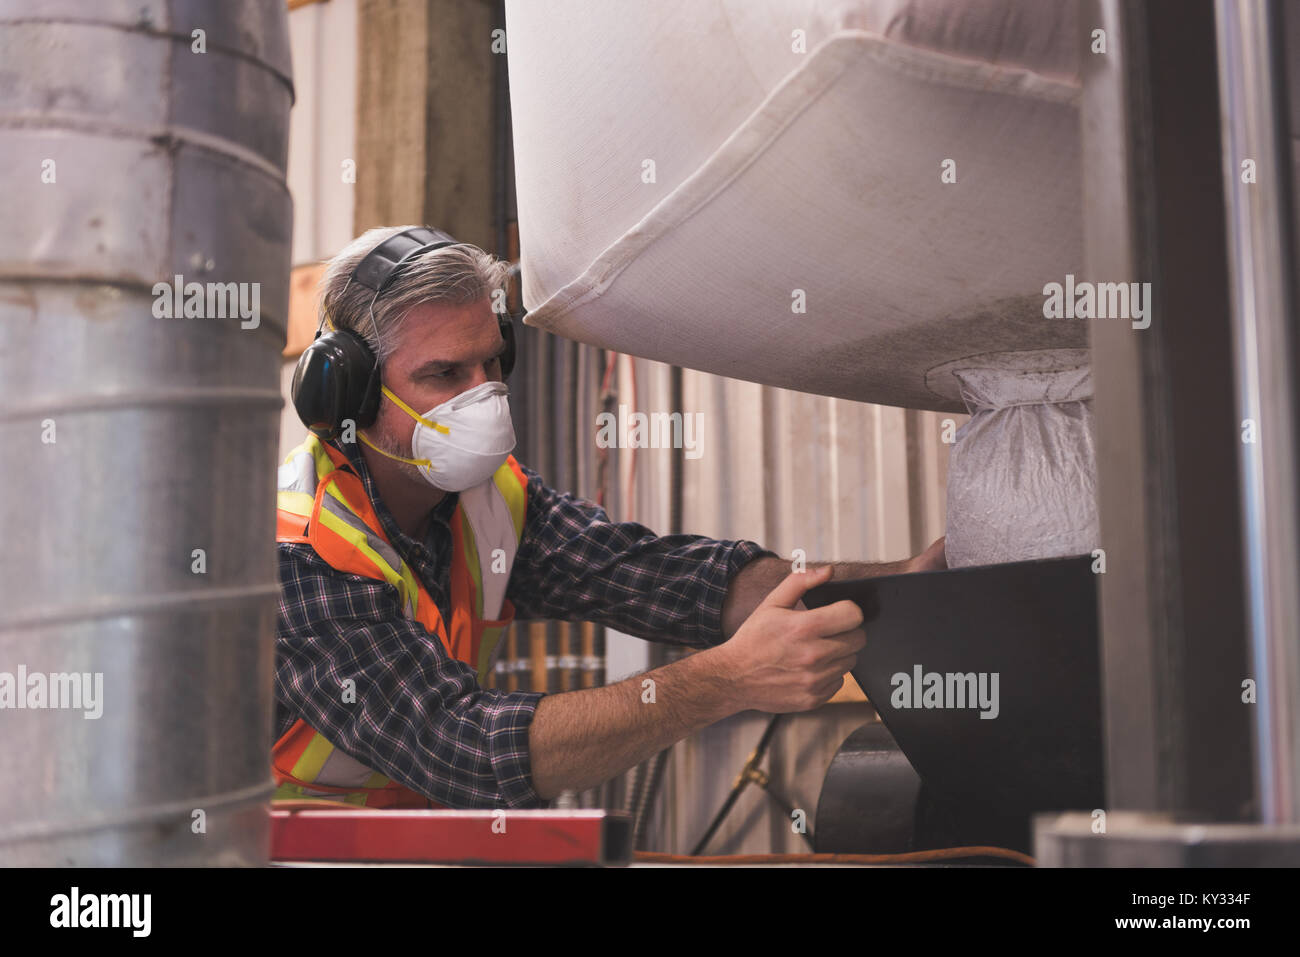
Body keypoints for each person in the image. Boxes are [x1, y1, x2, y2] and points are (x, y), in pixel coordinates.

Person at [273, 225, 947, 809]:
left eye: (491, 362)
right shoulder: (297, 553)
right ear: (352, 393)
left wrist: (901, 585)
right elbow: (466, 750)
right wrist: (727, 679)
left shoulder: (488, 505)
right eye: (445, 374)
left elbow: (664, 578)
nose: (485, 396)